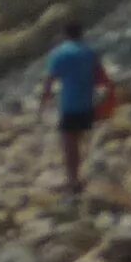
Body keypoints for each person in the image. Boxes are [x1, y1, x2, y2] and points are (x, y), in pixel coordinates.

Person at [38, 20, 111, 193]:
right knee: (81, 139)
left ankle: (73, 180)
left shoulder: (59, 53)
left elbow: (50, 79)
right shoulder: (90, 52)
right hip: (87, 102)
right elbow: (101, 78)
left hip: (69, 103)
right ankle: (83, 175)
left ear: (65, 35)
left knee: (69, 143)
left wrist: (44, 101)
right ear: (81, 33)